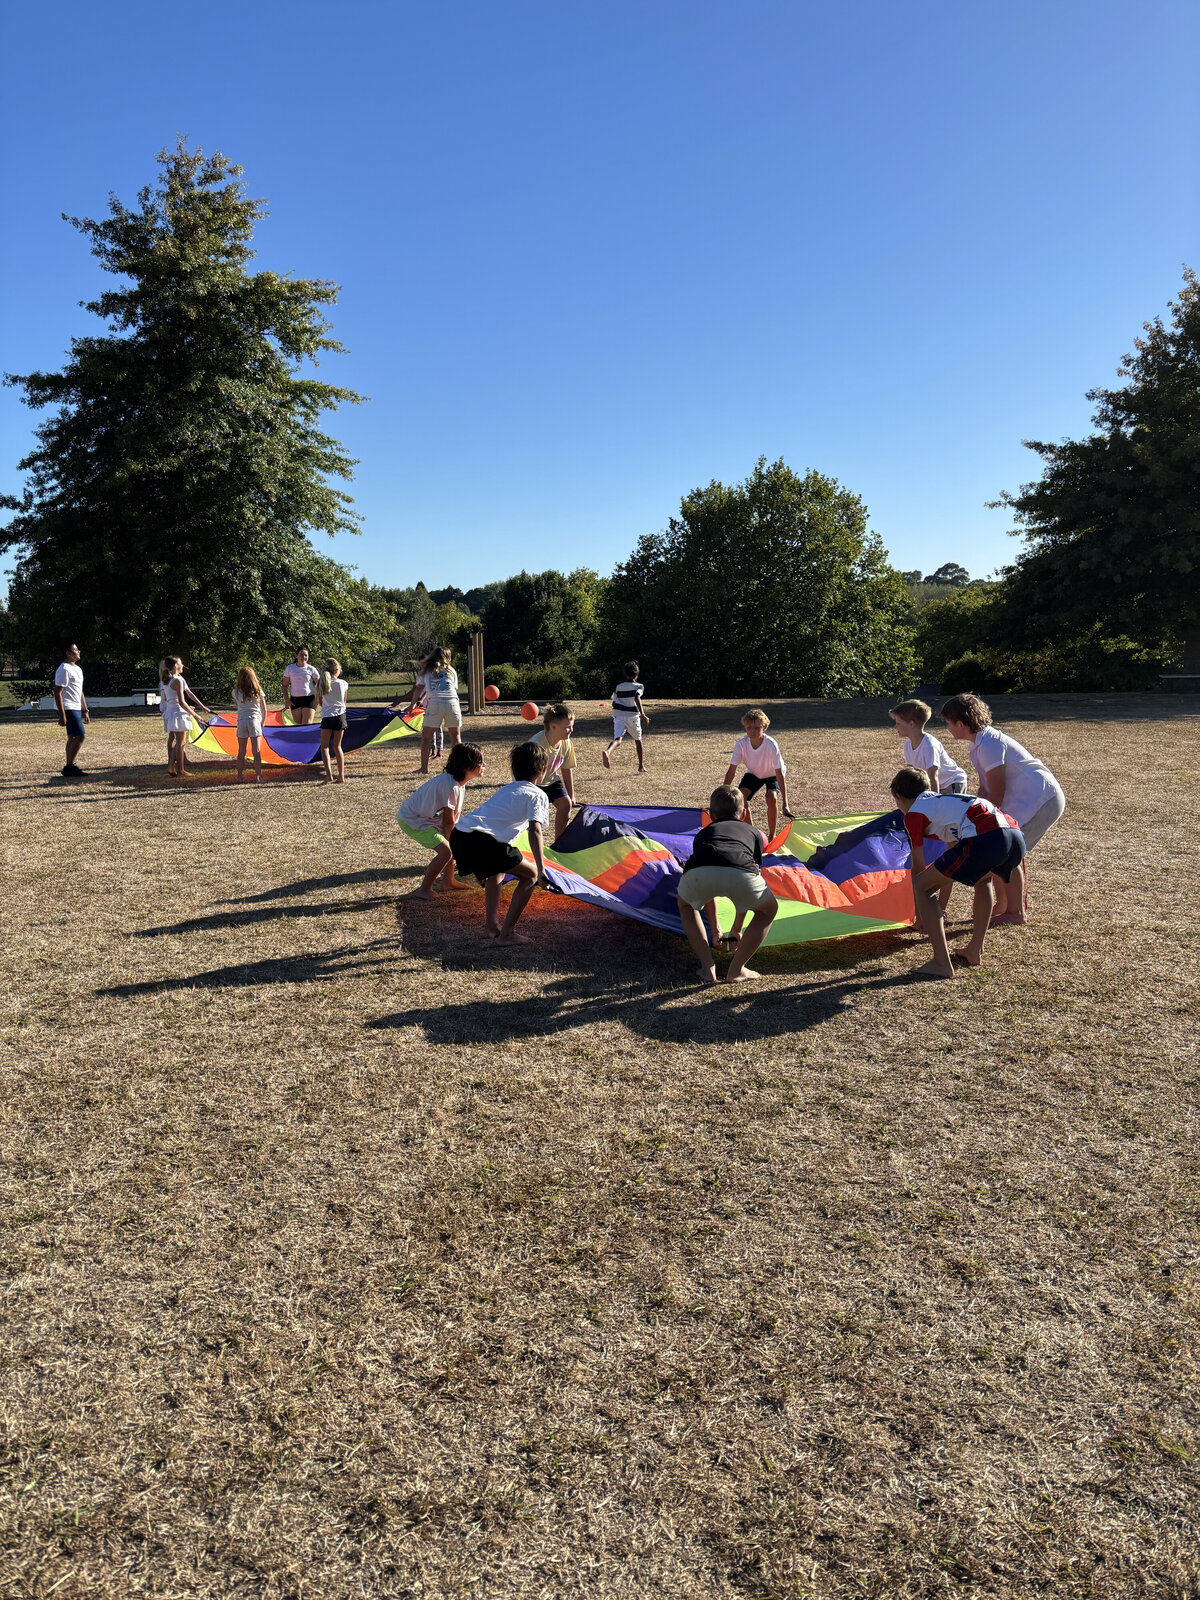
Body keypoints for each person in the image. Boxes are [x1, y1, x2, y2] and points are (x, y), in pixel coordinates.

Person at [941, 693, 1065, 925]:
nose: (947, 728)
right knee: (998, 848)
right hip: (1024, 802)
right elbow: (985, 788)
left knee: (1006, 852)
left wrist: (979, 825)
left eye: (948, 723)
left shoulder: (989, 745)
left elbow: (996, 792)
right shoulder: (978, 744)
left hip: (1041, 801)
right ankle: (1003, 906)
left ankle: (1015, 913)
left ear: (960, 723)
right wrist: (969, 815)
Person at [890, 766, 1025, 978]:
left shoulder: (914, 813)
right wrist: (938, 903)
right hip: (1014, 835)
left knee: (921, 886)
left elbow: (918, 867)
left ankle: (941, 963)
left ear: (898, 796)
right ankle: (974, 950)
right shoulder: (943, 802)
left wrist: (921, 914)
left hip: (987, 838)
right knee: (983, 881)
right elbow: (950, 855)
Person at [676, 784, 779, 984]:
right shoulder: (754, 833)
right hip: (741, 874)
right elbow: (748, 875)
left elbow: (708, 890)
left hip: (699, 874)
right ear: (744, 813)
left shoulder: (703, 834)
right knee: (767, 910)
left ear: (710, 814)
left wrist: (716, 930)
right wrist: (737, 929)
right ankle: (736, 970)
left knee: (686, 906)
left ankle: (707, 968)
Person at [448, 741, 550, 944]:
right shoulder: (537, 794)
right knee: (530, 876)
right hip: (483, 841)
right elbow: (535, 831)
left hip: (460, 835)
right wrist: (541, 869)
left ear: (513, 770)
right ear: (542, 771)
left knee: (497, 871)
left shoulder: (507, 789)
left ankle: (491, 927)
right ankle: (507, 934)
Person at [397, 742, 486, 898]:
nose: (484, 765)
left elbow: (451, 821)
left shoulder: (457, 784)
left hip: (426, 819)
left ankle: (448, 882)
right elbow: (448, 822)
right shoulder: (451, 786)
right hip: (413, 820)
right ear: (467, 766)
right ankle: (424, 890)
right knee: (447, 851)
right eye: (480, 762)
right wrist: (454, 842)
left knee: (452, 845)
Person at [723, 709, 794, 839]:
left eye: (757, 727)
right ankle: (752, 834)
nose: (752, 731)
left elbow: (779, 774)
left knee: (771, 797)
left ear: (765, 727)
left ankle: (772, 835)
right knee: (740, 796)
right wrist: (721, 794)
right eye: (749, 727)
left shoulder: (771, 744)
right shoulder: (741, 744)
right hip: (754, 773)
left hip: (773, 773)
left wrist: (785, 803)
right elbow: (732, 770)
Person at [889, 698, 967, 794]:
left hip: (952, 783)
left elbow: (933, 777)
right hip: (938, 785)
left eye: (898, 723)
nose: (895, 727)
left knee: (943, 808)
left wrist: (933, 804)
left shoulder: (929, 746)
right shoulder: (907, 745)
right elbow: (913, 776)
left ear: (911, 724)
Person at [405, 648, 462, 775]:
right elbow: (454, 688)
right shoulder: (451, 671)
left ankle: (424, 768)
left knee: (426, 738)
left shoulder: (425, 671)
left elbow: (418, 690)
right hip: (453, 702)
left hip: (435, 703)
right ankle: (458, 767)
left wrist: (411, 705)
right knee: (455, 736)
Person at [531, 702, 578, 839]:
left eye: (572, 726)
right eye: (567, 728)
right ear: (553, 726)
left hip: (550, 780)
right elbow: (530, 777)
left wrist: (571, 795)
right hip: (532, 782)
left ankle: (559, 843)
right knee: (535, 817)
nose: (571, 731)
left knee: (565, 805)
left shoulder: (566, 742)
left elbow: (566, 768)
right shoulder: (537, 745)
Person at [159, 657, 212, 778]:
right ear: (175, 666)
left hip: (172, 712)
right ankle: (180, 769)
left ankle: (171, 767)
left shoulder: (168, 680)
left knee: (178, 741)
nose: (183, 665)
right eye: (180, 663)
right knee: (181, 742)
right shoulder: (177, 680)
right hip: (178, 713)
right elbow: (182, 702)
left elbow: (173, 699)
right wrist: (196, 716)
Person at [602, 662, 650, 770]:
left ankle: (608, 751)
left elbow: (614, 701)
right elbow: (637, 697)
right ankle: (641, 766)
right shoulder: (639, 686)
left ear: (626, 674)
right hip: (632, 717)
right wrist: (643, 714)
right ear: (636, 675)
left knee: (618, 739)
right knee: (638, 740)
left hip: (618, 715)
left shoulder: (619, 687)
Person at [53, 643, 89, 778]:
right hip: (68, 707)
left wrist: (85, 710)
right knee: (80, 736)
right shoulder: (63, 669)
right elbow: (58, 692)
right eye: (75, 650)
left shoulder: (78, 669)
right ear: (68, 653)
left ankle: (69, 766)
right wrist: (62, 715)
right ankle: (70, 766)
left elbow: (80, 691)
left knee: (72, 737)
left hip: (75, 707)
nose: (78, 652)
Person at [317, 657, 349, 784]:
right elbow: (344, 701)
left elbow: (319, 702)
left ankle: (329, 775)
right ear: (338, 670)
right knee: (338, 747)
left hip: (327, 716)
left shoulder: (322, 683)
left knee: (325, 747)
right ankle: (341, 776)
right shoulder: (343, 683)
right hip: (340, 716)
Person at [233, 667, 267, 784]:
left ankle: (239, 777)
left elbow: (238, 707)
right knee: (256, 751)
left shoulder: (236, 692)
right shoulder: (258, 691)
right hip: (254, 721)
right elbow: (264, 710)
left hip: (241, 721)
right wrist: (262, 723)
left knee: (241, 751)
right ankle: (258, 777)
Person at [282, 648, 320, 725]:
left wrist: (318, 698)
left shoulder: (311, 669)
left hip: (309, 699)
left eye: (306, 655)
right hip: (295, 700)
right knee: (298, 726)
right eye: (301, 655)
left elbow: (320, 685)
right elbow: (284, 685)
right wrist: (286, 699)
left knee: (306, 725)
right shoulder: (290, 668)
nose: (304, 657)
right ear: (296, 656)